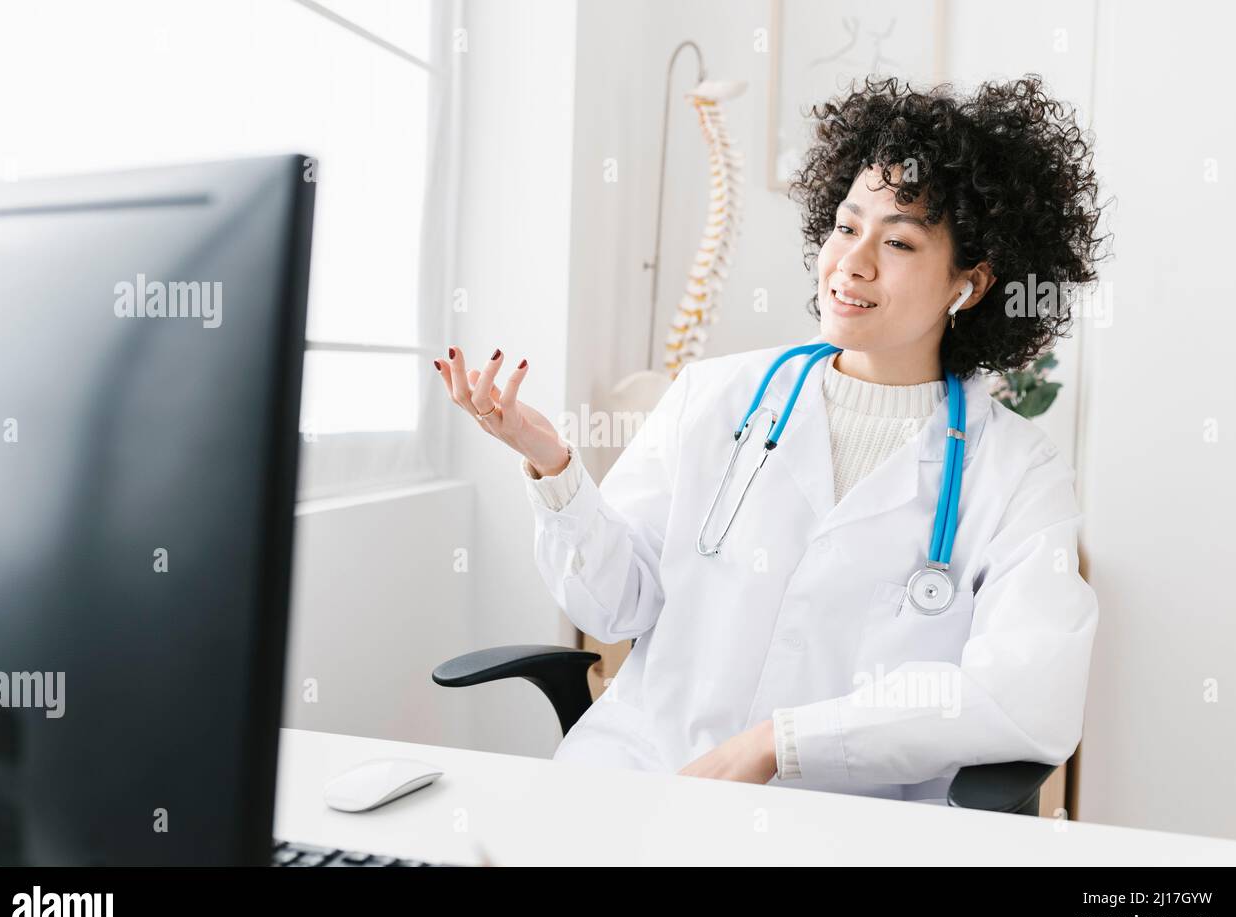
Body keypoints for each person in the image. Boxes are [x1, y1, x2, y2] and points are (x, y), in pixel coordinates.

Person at [433, 74, 1108, 804]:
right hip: (649, 778)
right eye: (847, 226)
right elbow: (614, 608)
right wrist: (553, 466)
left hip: (844, 823)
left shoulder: (1016, 471)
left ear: (969, 284)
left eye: (901, 242)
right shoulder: (714, 395)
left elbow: (1028, 696)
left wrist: (777, 746)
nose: (853, 261)